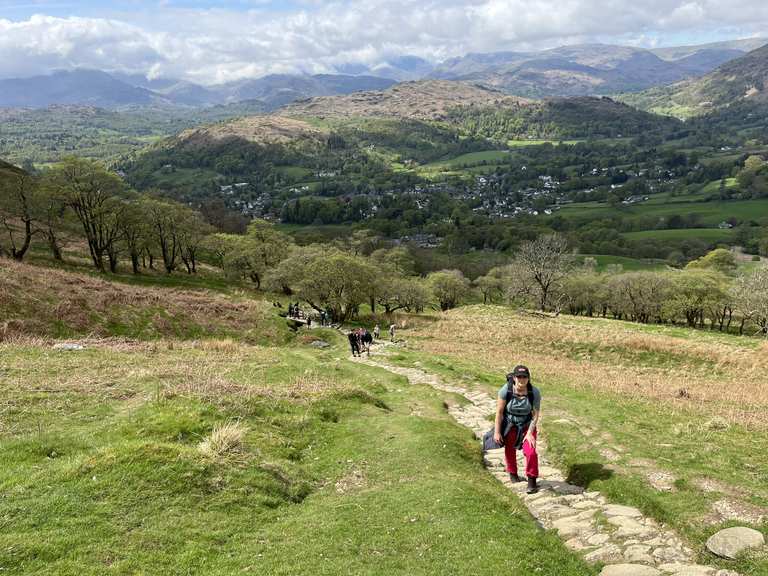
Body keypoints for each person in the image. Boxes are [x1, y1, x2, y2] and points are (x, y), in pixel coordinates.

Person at [493, 365, 541, 494]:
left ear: (528, 378)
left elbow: (535, 414)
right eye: (519, 376)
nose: (522, 379)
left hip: (527, 425)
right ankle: (513, 475)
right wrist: (497, 432)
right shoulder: (505, 391)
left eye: (524, 377)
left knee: (531, 452)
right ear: (514, 378)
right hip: (510, 425)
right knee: (509, 449)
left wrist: (530, 432)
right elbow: (499, 412)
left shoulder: (534, 392)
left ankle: (532, 482)